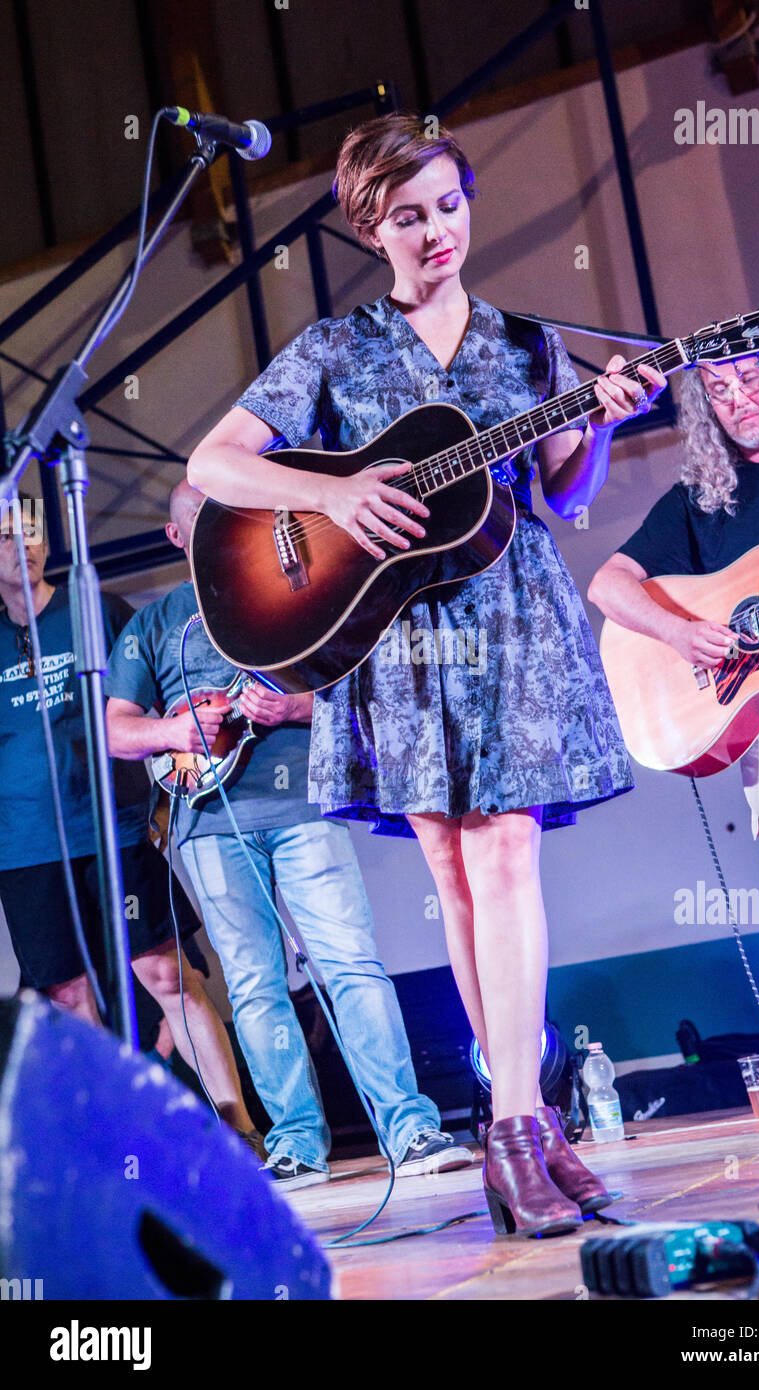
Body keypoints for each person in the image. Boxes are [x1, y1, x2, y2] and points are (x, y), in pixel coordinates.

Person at [185, 112, 665, 1236]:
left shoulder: (526, 343)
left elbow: (564, 493)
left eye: (450, 205)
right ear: (371, 228)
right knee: (452, 876)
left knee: (503, 860)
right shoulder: (334, 353)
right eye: (410, 216)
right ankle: (523, 1130)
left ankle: (512, 1120)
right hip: (394, 637)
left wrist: (599, 422)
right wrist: (335, 495)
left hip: (513, 629)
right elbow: (211, 464)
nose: (437, 230)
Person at [105, 479, 468, 1189]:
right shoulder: (153, 625)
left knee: (350, 964)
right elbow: (115, 728)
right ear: (180, 540)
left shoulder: (294, 591)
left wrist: (295, 706)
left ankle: (411, 1127)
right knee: (252, 985)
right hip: (207, 826)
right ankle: (298, 1141)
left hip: (303, 805)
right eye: (204, 523)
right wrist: (176, 730)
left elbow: (360, 685)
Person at [588, 346, 759, 1123]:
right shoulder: (699, 501)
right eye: (718, 387)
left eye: (750, 379)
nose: (737, 397)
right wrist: (680, 636)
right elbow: (608, 585)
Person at [0, 493, 260, 1152]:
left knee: (169, 974)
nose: (24, 543)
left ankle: (239, 1129)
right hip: (25, 846)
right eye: (7, 536)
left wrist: (168, 793)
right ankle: (115, 1146)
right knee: (65, 995)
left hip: (115, 828)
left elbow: (148, 704)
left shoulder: (98, 609)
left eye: (30, 530)